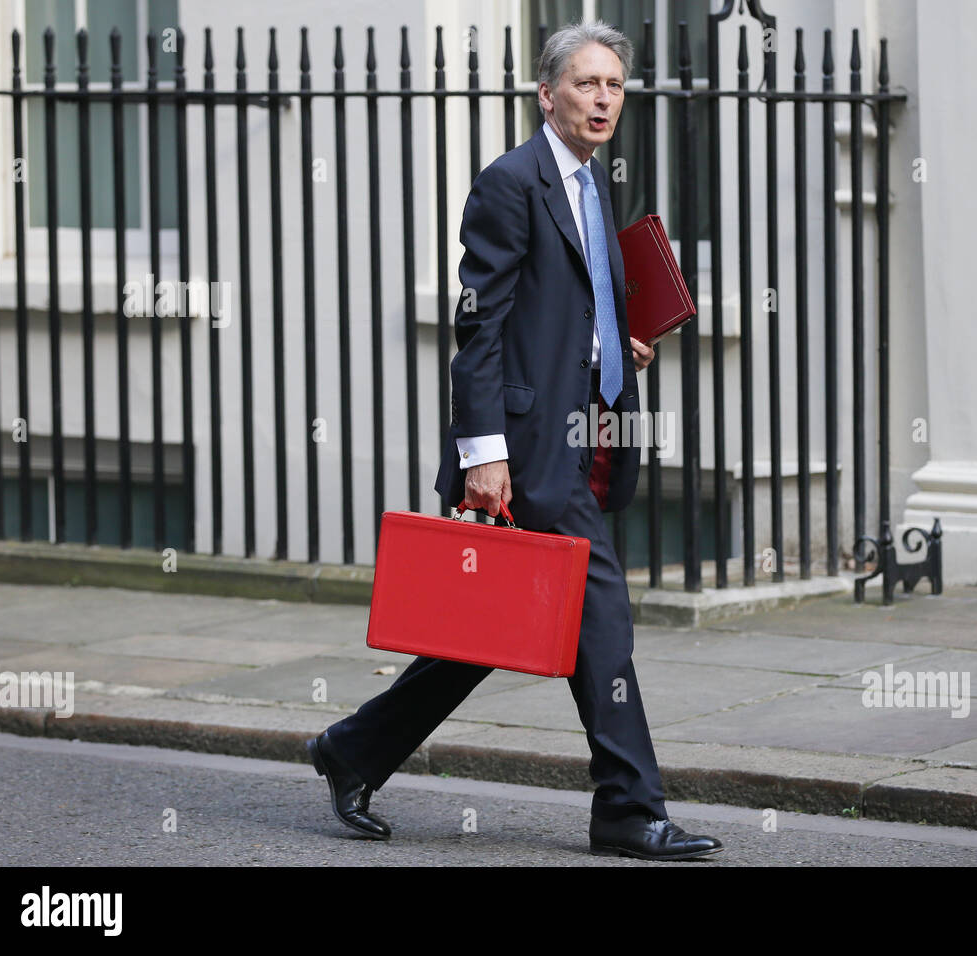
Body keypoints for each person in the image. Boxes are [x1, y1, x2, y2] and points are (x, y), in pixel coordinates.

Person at [306, 19, 723, 861]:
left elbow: (569, 309)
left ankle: (351, 749)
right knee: (601, 618)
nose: (604, 98)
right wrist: (483, 451)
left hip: (594, 430)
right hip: (532, 451)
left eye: (614, 85)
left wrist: (619, 344)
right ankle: (629, 809)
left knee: (500, 625)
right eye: (586, 83)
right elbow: (481, 327)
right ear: (547, 93)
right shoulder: (511, 182)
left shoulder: (593, 181)